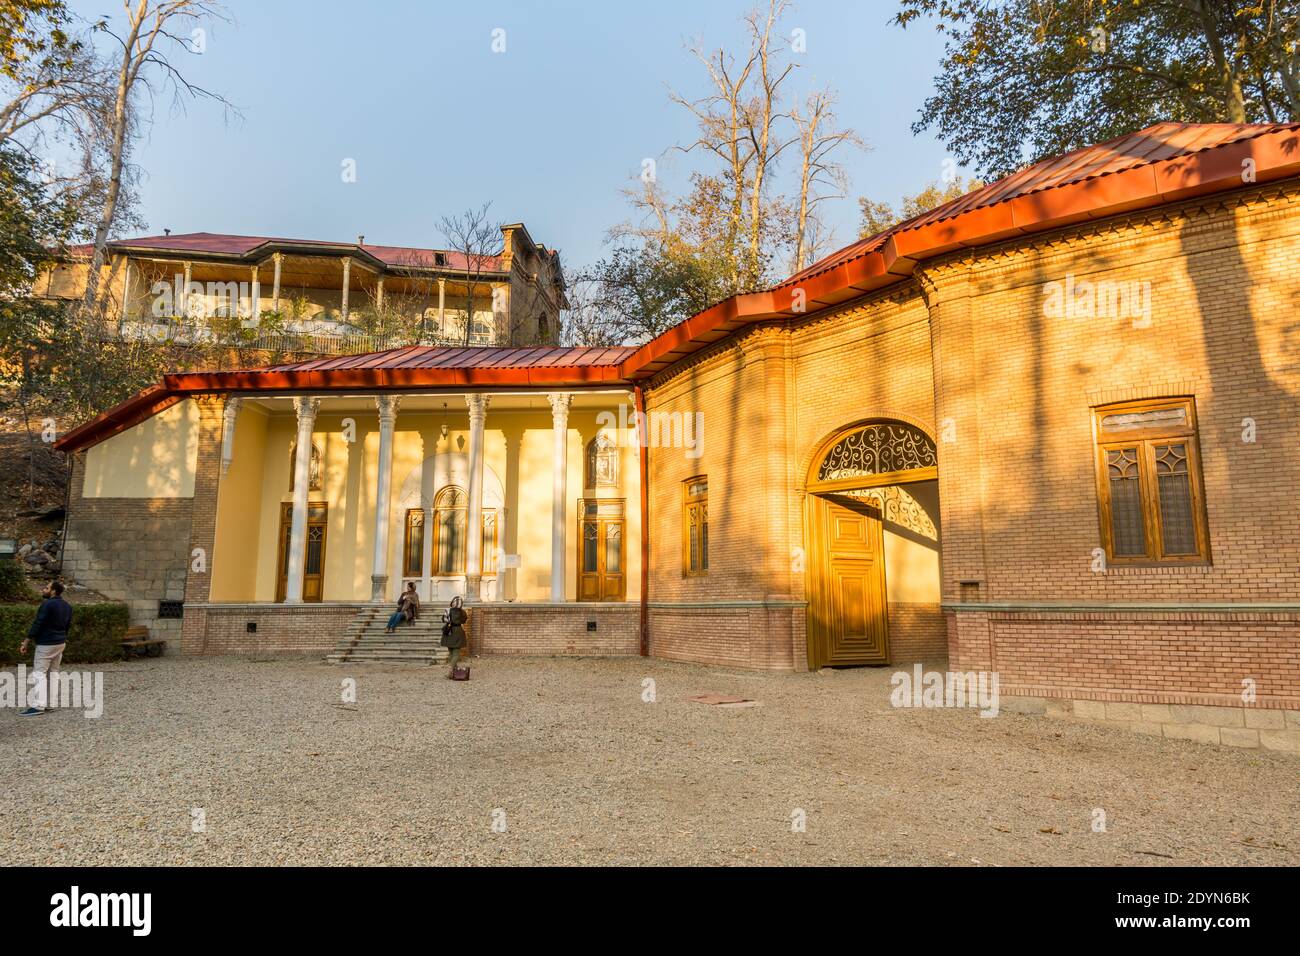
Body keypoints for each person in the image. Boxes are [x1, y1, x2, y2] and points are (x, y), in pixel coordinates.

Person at [18, 580, 73, 717]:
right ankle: (50, 704)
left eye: (47, 588)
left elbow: (38, 623)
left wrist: (26, 641)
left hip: (46, 644)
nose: (43, 589)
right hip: (60, 642)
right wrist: (62, 638)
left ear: (53, 591)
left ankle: (38, 706)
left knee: (39, 674)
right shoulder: (67, 606)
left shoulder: (47, 604)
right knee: (53, 673)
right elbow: (67, 625)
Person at [441, 595, 468, 677]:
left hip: (449, 631)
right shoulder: (463, 612)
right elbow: (464, 621)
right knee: (456, 653)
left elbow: (443, 620)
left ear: (452, 602)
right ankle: (452, 671)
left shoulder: (448, 610)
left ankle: (451, 671)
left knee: (451, 652)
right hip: (458, 631)